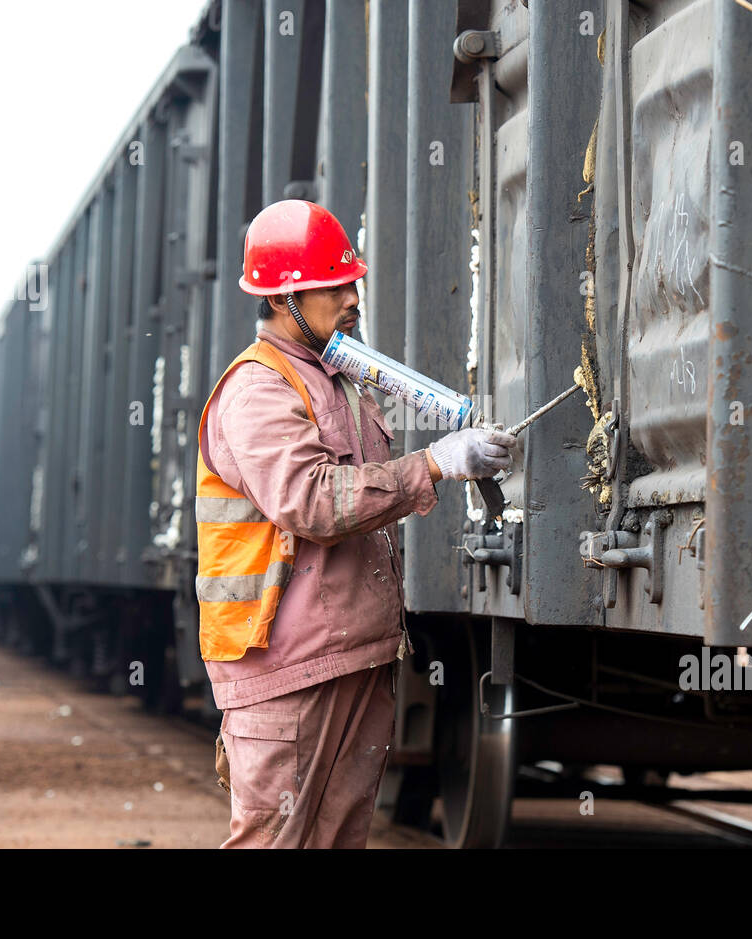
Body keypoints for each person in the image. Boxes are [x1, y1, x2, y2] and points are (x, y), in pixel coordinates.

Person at [196, 198, 514, 847]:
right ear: (283, 298)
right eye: (331, 286)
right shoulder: (260, 388)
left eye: (350, 281)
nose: (351, 297)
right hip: (284, 670)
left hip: (353, 658)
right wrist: (431, 464)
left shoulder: (334, 378)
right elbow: (310, 501)